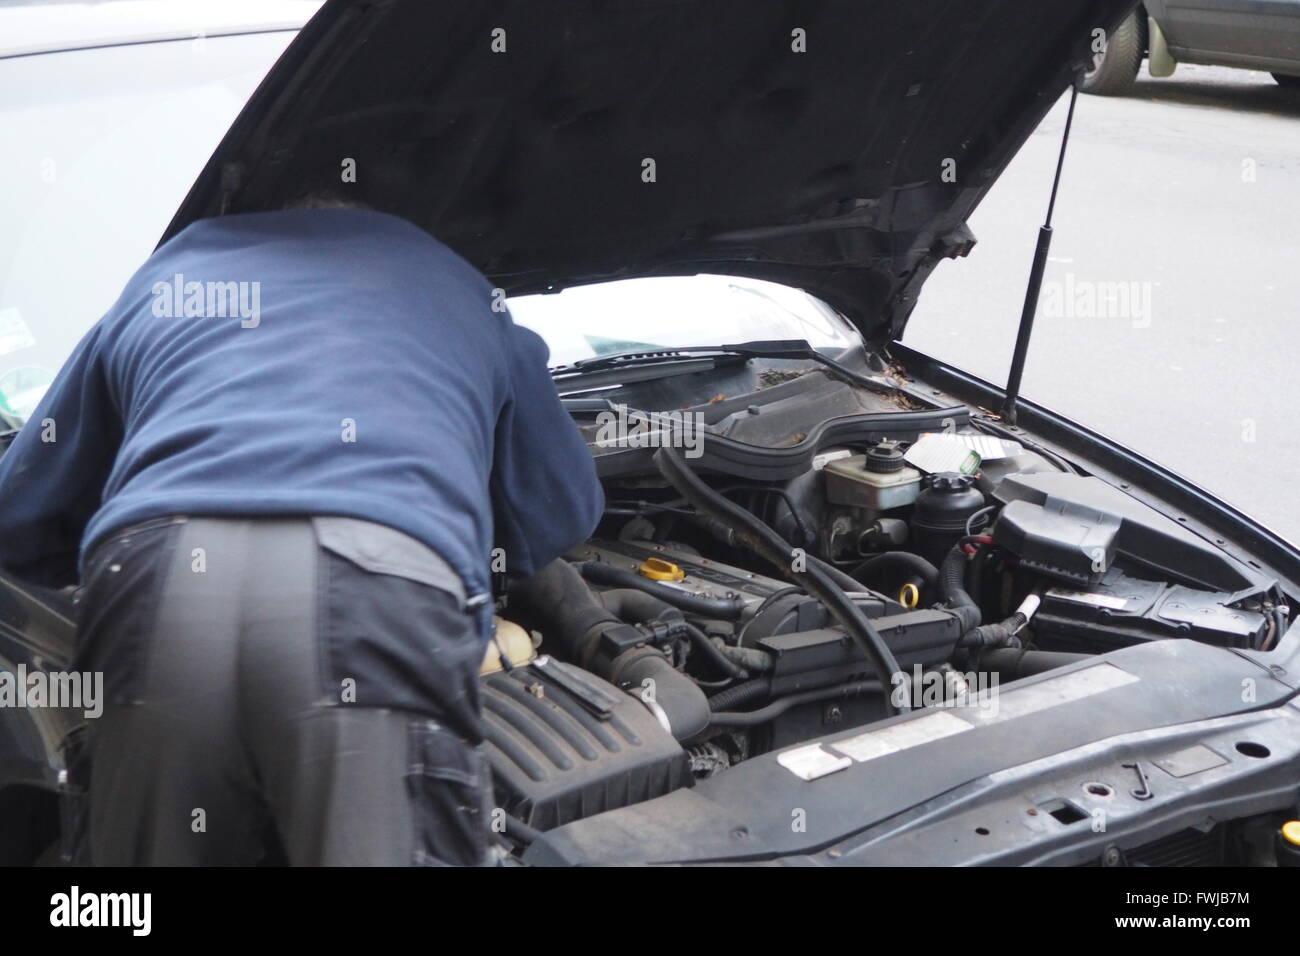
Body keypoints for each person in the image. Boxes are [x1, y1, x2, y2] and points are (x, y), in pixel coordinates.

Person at [0, 200, 604, 865]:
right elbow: (560, 510)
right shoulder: (457, 281)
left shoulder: (170, 275)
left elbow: (20, 511)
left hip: (156, 583)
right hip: (374, 587)